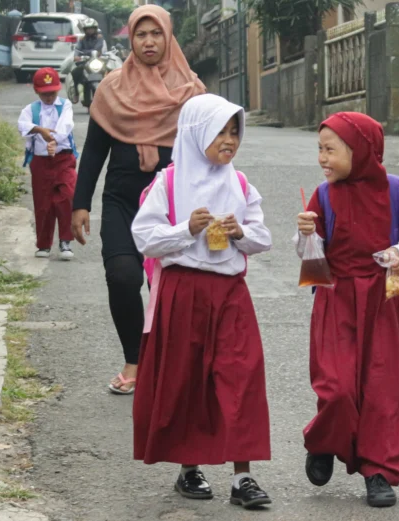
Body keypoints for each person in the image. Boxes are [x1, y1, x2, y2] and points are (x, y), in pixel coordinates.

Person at [131, 94, 272, 509]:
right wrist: (185, 229)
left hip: (230, 294)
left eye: (235, 132)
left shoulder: (240, 183)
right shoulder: (169, 183)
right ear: (195, 134)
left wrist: (240, 233)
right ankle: (189, 468)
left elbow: (263, 238)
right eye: (219, 132)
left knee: (242, 375)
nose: (229, 141)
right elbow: (144, 238)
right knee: (187, 378)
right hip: (183, 292)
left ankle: (243, 476)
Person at [295, 112, 399, 508]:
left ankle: (378, 471)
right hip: (335, 297)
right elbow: (310, 257)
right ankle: (324, 441)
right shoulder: (323, 195)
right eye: (319, 149)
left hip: (383, 301)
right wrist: (306, 235)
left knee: (382, 389)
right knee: (335, 387)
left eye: (330, 150)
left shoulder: (394, 190)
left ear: (360, 152)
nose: (322, 158)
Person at [71, 5, 205, 394]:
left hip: (174, 206)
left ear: (168, 36)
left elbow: (210, 154)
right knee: (122, 276)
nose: (149, 42)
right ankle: (135, 359)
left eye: (156, 34)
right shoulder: (112, 89)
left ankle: (176, 365)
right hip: (123, 201)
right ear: (131, 39)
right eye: (141, 34)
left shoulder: (192, 93)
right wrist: (81, 203)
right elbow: (94, 150)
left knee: (176, 288)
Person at [18, 68, 78, 260]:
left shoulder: (65, 105)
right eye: (45, 94)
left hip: (63, 159)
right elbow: (22, 125)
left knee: (67, 196)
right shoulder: (31, 110)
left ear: (58, 89)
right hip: (41, 162)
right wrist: (39, 130)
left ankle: (65, 240)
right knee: (43, 202)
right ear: (36, 91)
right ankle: (44, 244)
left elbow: (65, 125)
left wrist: (53, 140)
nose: (49, 97)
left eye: (52, 93)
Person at [71, 18, 106, 105]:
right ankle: (76, 92)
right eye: (88, 29)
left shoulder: (99, 37)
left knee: (109, 71)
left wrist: (85, 52)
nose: (90, 30)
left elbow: (97, 49)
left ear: (95, 29)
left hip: (98, 61)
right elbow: (78, 49)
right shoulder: (82, 39)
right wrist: (76, 56)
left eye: (91, 28)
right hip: (85, 62)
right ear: (85, 30)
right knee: (75, 72)